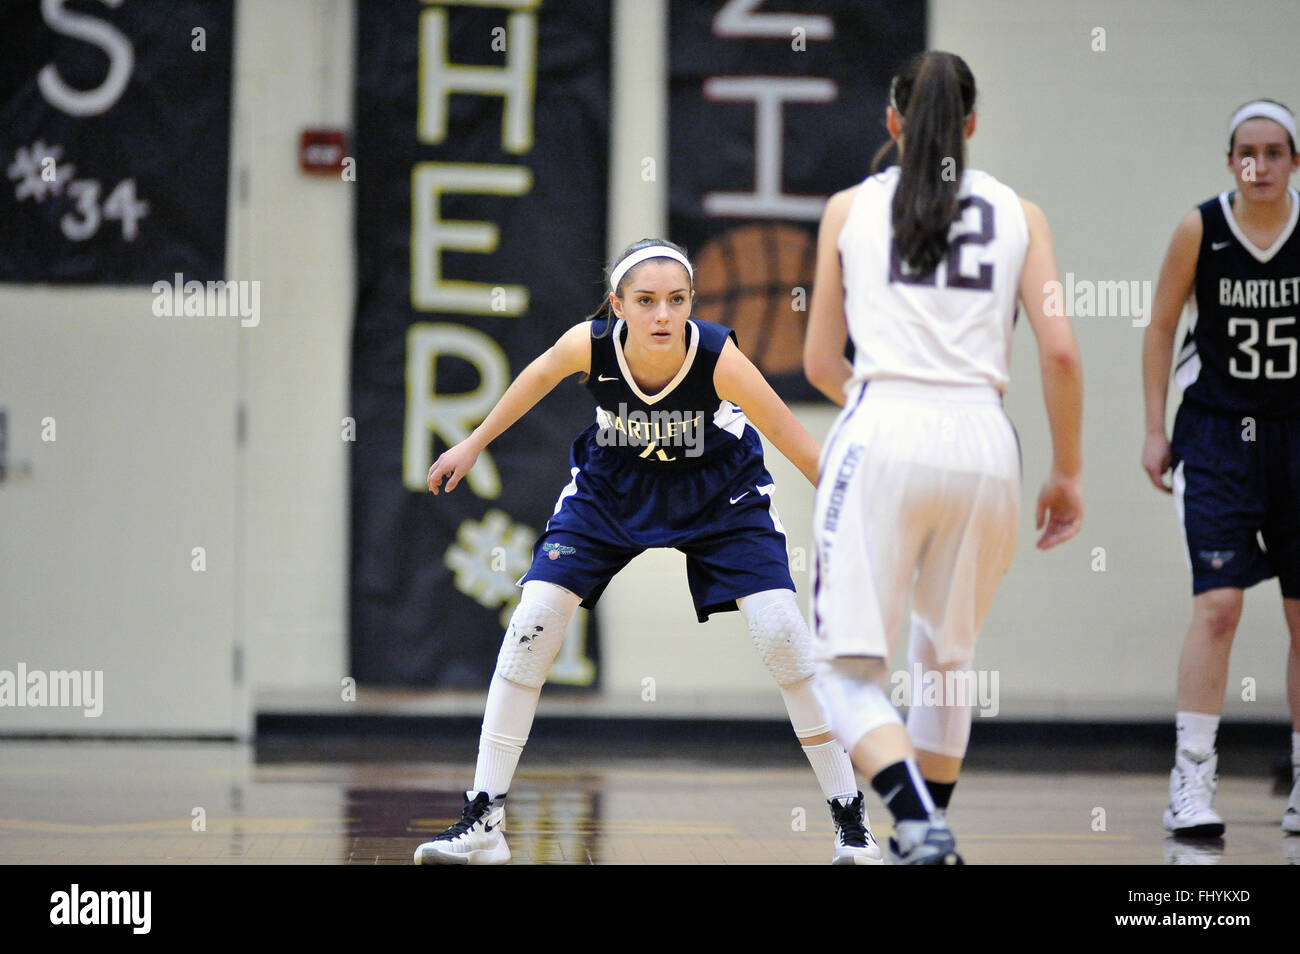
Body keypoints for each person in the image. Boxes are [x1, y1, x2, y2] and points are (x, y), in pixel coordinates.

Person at [414, 238, 882, 865]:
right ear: (618, 306)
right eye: (647, 301)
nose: (663, 315)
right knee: (532, 624)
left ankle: (853, 827)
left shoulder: (718, 356)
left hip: (721, 495)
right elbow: (535, 378)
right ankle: (484, 822)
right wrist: (471, 444)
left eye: (677, 301)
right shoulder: (590, 344)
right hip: (613, 487)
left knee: (781, 634)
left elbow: (797, 444)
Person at [804, 51, 1084, 864]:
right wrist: (1068, 470)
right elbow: (1061, 350)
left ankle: (920, 825)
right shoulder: (1022, 214)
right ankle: (920, 841)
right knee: (945, 658)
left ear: (893, 121)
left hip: (884, 425)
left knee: (842, 673)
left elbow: (822, 363)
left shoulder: (847, 210)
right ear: (971, 123)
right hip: (987, 443)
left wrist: (886, 403)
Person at [1142, 98, 1300, 838]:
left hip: (1296, 437)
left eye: (1274, 152)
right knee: (1220, 605)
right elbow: (1162, 326)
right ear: (1231, 158)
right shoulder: (1200, 229)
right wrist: (1152, 429)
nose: (1260, 164)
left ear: (1294, 162)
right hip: (1214, 441)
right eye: (1248, 152)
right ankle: (1192, 780)